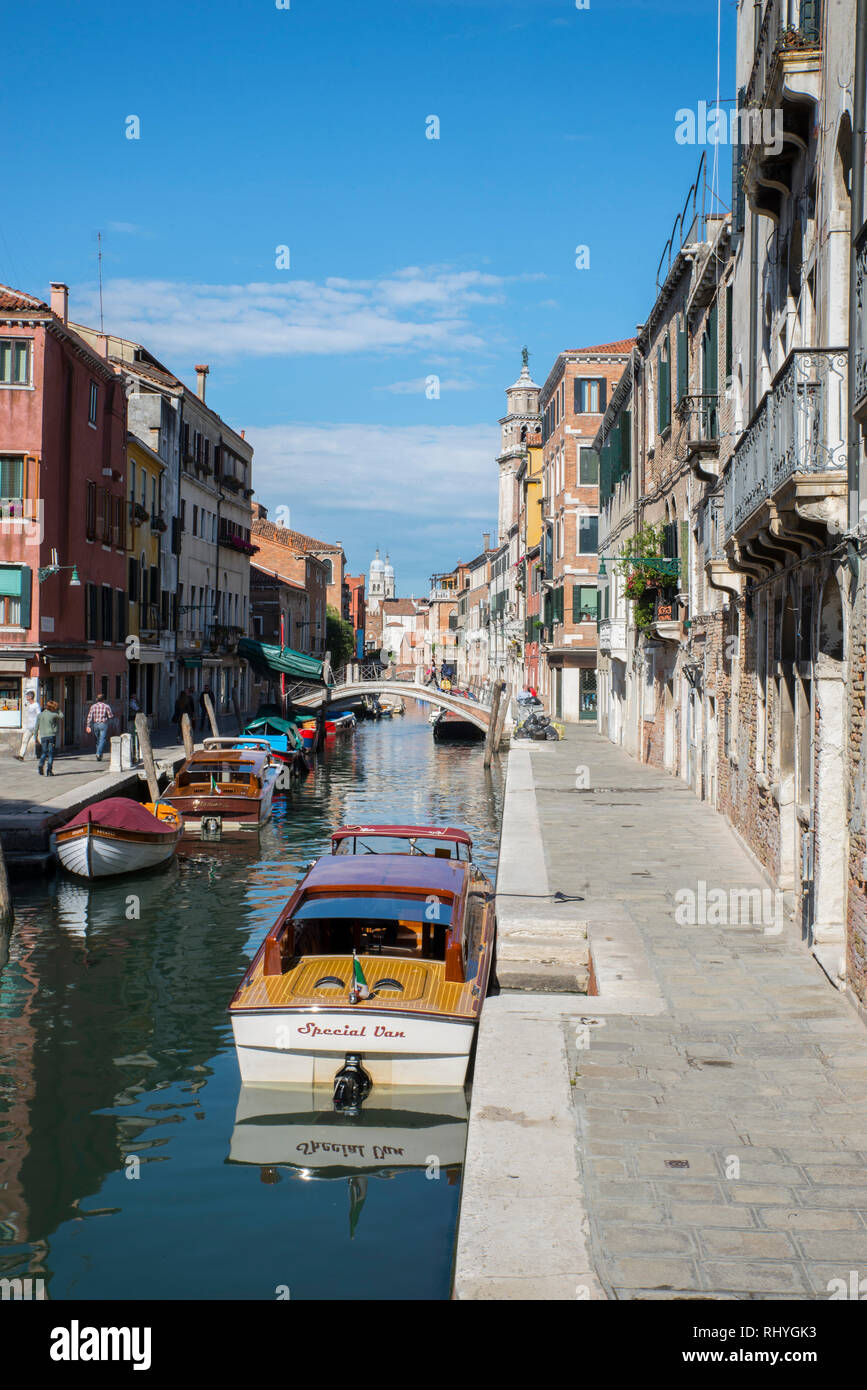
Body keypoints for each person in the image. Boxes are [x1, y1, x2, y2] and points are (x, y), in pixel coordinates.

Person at [85, 694, 115, 762]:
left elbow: (89, 716)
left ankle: (99, 754)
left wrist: (88, 725)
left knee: (97, 740)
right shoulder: (106, 706)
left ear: (96, 699)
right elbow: (110, 716)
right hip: (103, 724)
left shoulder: (93, 706)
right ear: (104, 699)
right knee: (102, 740)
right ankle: (99, 753)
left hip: (95, 724)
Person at [36, 700, 63, 776]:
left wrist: (35, 737)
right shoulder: (53, 714)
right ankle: (49, 771)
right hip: (51, 736)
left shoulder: (40, 715)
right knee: (50, 754)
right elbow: (61, 716)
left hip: (43, 736)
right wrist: (58, 709)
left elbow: (36, 727)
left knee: (44, 752)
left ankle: (41, 764)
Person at [16, 689, 41, 760]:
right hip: (29, 727)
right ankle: (21, 755)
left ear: (30, 697)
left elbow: (39, 715)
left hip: (36, 727)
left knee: (41, 741)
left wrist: (38, 725)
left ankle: (48, 753)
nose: (26, 697)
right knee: (24, 740)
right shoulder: (28, 704)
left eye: (27, 695)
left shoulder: (36, 705)